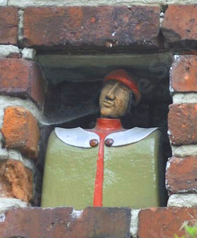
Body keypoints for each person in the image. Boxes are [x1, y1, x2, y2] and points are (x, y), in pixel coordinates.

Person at [41, 69, 162, 208]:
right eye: (108, 86)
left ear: (131, 103)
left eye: (121, 90)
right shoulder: (61, 138)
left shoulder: (147, 140)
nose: (110, 95)